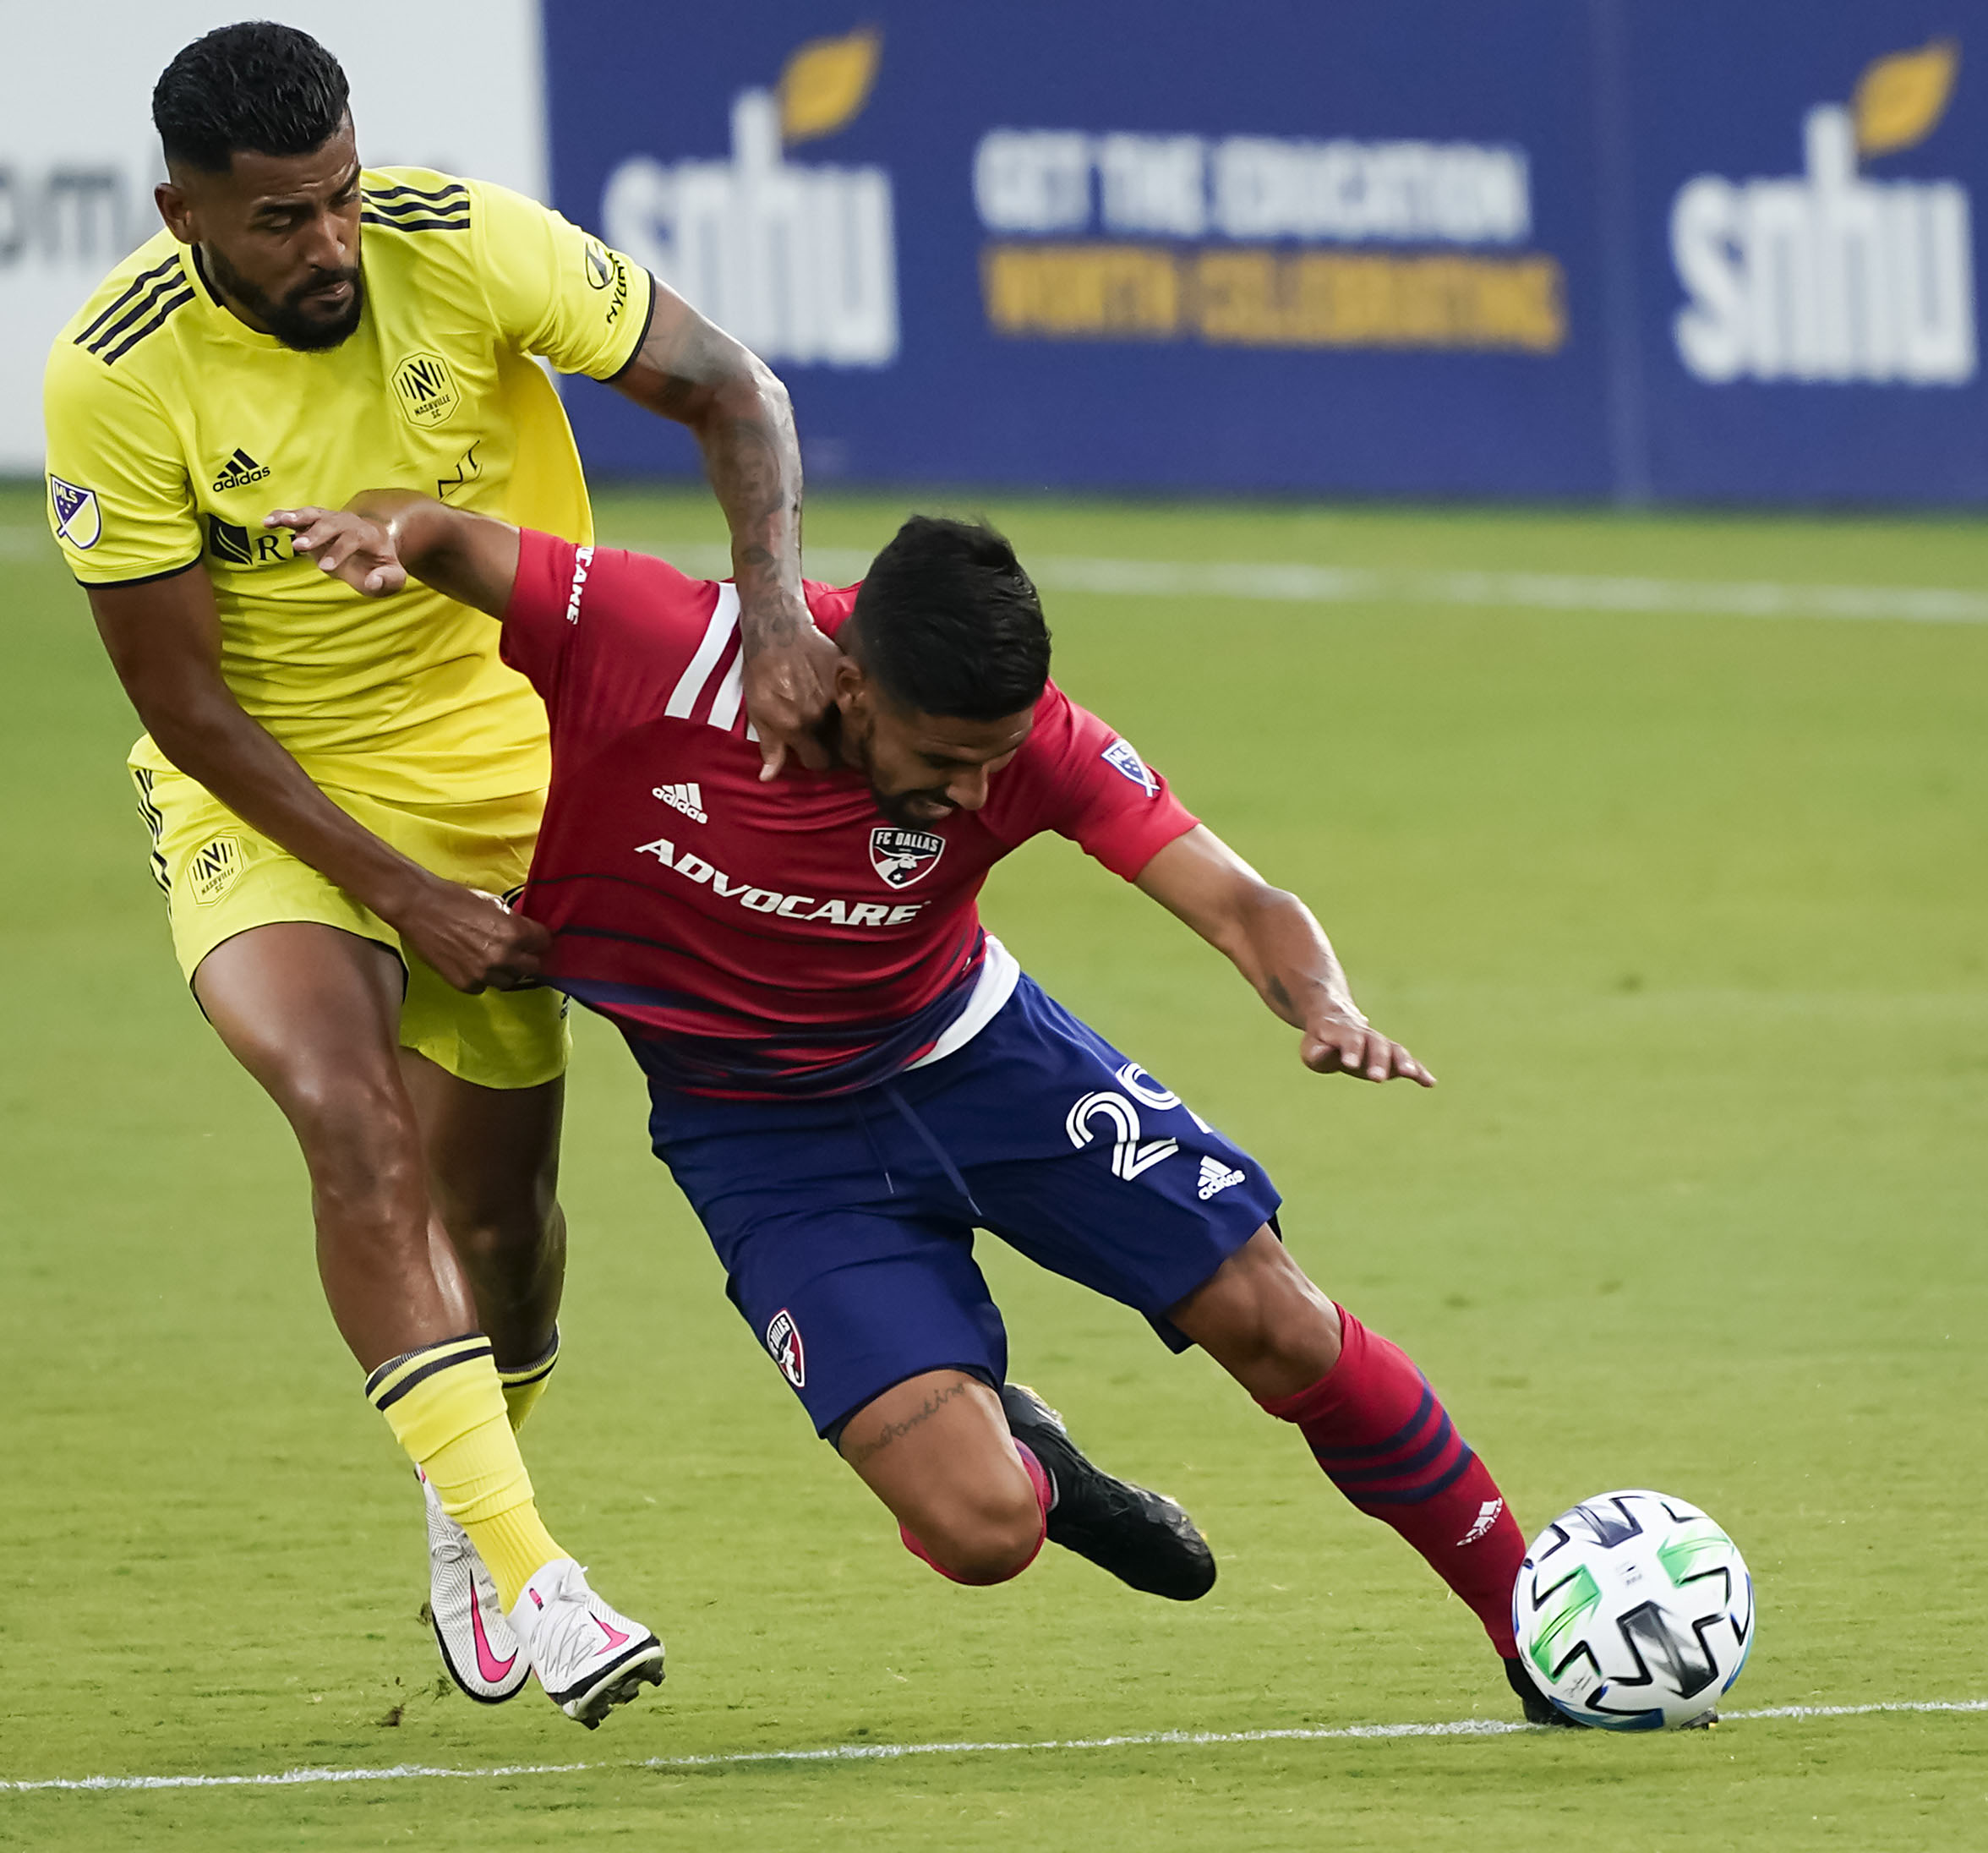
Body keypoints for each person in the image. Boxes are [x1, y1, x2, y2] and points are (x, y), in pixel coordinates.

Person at [269, 489, 1572, 1726]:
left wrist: (1326, 1005)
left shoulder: (1030, 745)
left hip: (979, 1058)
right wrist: (378, 534)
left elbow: (1240, 901)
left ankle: (1531, 1620)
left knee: (1274, 1319)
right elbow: (444, 532)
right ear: (849, 682)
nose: (969, 796)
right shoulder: (656, 642)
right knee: (983, 1531)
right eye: (944, 762)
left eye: (994, 764)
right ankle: (1040, 1466)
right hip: (764, 1141)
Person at [40, 20, 848, 1727]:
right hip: (269, 790)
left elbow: (734, 389)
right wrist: (397, 896)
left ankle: (464, 1506)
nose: (328, 243)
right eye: (279, 221)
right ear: (183, 212)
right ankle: (533, 1569)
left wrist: (771, 610)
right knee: (351, 1118)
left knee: (505, 1228)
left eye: (338, 198)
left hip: (525, 772)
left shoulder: (465, 240)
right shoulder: (113, 377)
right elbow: (181, 702)